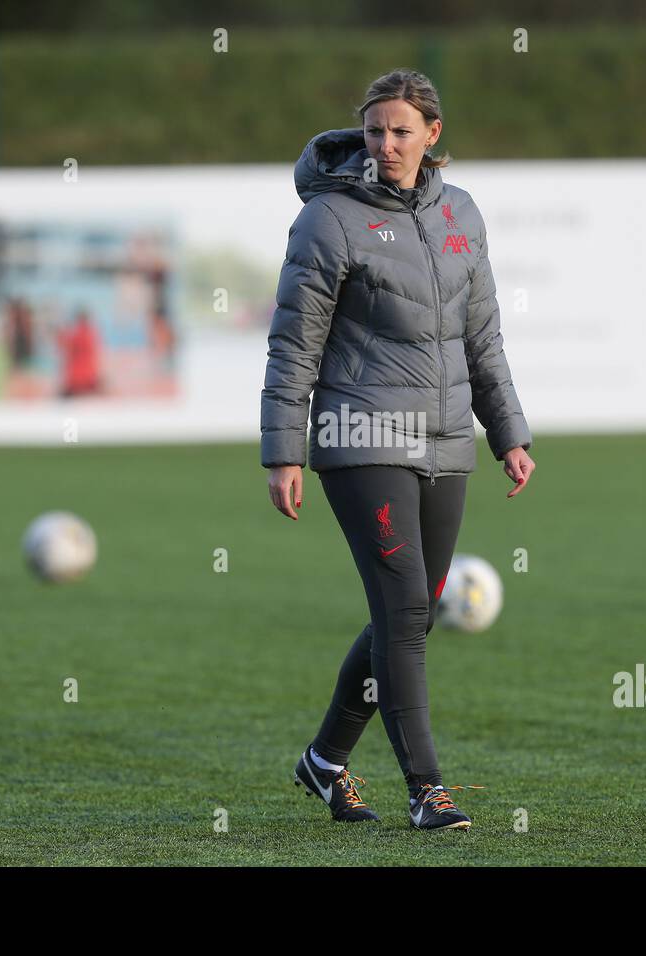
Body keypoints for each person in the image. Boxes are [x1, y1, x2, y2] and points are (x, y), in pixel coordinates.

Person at [260, 68, 535, 830]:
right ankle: (428, 789)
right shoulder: (328, 220)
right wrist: (284, 451)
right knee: (406, 605)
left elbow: (482, 336)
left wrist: (507, 432)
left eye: (402, 130)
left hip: (446, 441)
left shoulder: (463, 214)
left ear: (432, 135)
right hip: (359, 434)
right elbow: (294, 346)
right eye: (376, 130)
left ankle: (323, 762)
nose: (386, 144)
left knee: (407, 616)